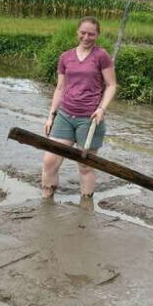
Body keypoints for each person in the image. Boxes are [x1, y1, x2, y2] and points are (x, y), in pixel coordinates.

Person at [42, 16, 117, 200]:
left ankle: (85, 206)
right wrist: (51, 115)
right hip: (65, 115)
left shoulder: (101, 56)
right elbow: (60, 88)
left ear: (97, 35)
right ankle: (46, 201)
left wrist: (102, 109)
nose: (86, 37)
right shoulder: (65, 57)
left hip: (89, 118)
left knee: (85, 166)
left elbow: (112, 85)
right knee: (49, 162)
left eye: (91, 34)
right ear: (77, 32)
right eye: (83, 33)